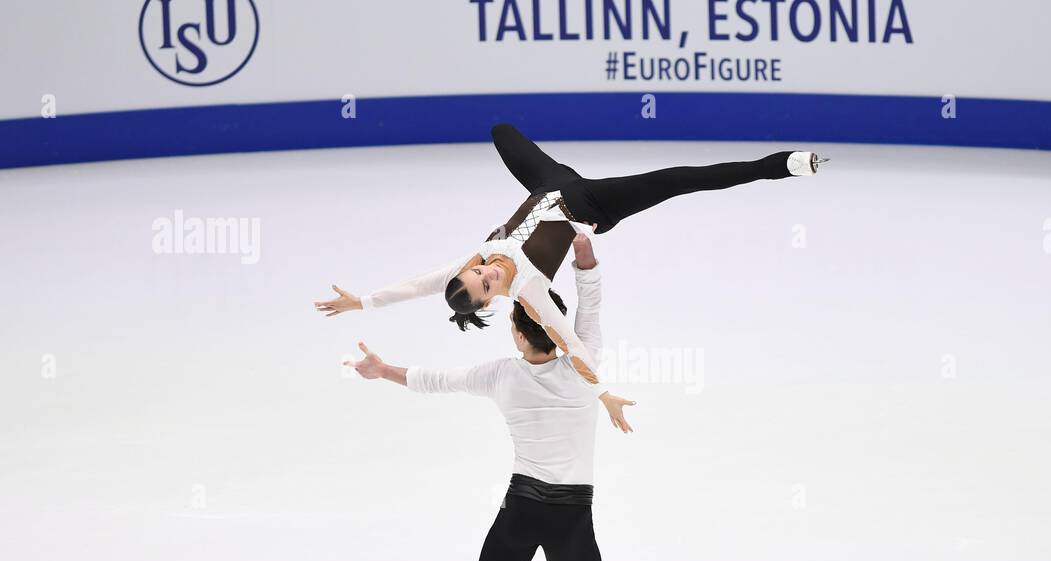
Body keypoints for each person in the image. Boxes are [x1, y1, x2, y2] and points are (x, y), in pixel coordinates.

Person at [345, 233, 632, 561]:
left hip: (518, 513)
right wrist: (585, 262)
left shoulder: (502, 375)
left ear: (521, 339)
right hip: (571, 518)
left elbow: (435, 379)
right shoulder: (582, 365)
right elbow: (589, 308)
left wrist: (383, 370)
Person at [317, 123, 826, 395]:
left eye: (477, 274)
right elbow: (572, 342)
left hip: (549, 181)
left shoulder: (476, 257)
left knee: (501, 130)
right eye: (486, 286)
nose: (487, 273)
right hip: (593, 203)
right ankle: (783, 164)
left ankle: (781, 164)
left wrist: (362, 301)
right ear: (493, 300)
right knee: (679, 179)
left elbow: (420, 284)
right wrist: (600, 393)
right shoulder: (530, 291)